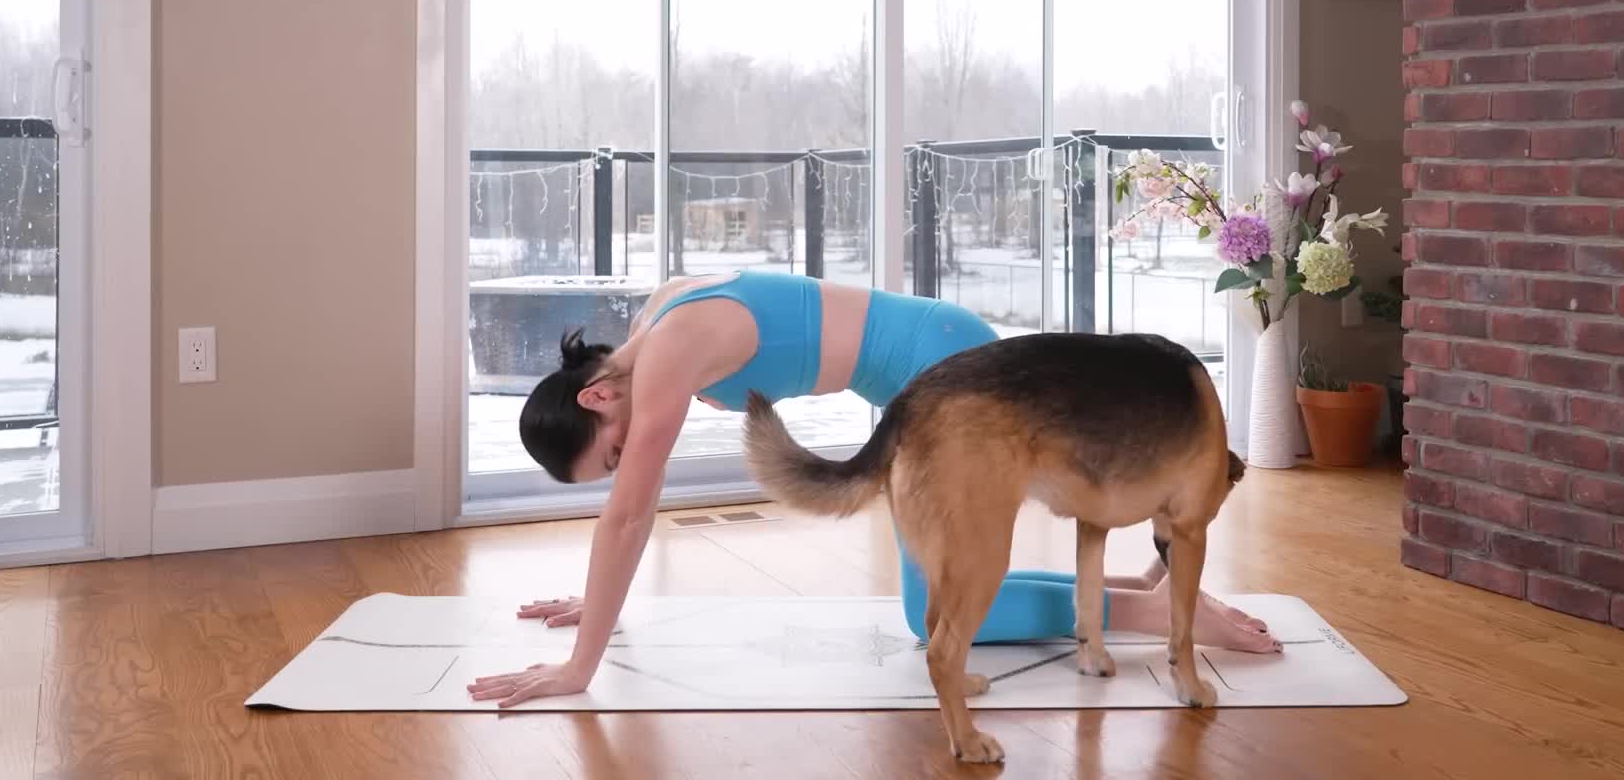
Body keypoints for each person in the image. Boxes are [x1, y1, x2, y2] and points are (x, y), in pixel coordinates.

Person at [466, 271, 1278, 708]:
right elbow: (628, 514)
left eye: (607, 454)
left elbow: (630, 515)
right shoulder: (659, 315)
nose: (623, 461)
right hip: (925, 358)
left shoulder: (668, 354)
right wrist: (594, 604)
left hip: (942, 370)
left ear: (596, 397)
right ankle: (1141, 588)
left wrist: (582, 663)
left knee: (951, 612)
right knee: (941, 594)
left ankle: (1164, 611)